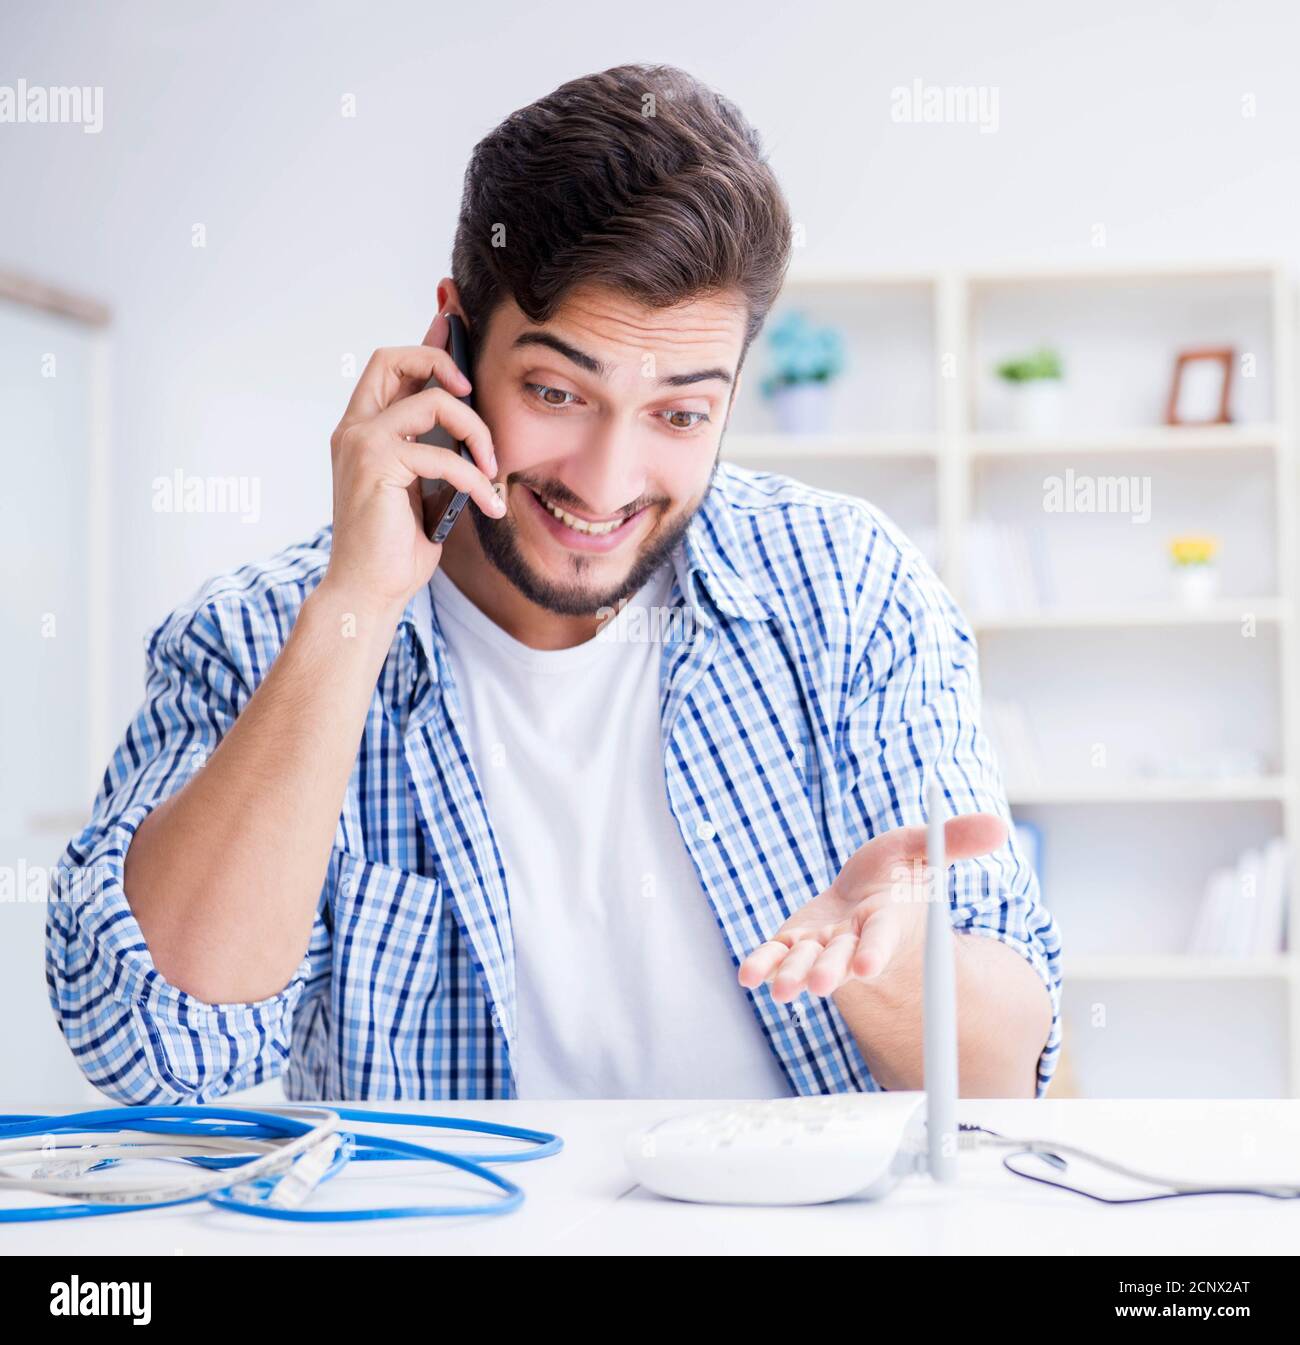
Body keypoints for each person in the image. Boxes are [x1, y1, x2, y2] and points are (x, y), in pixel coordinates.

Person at [46, 63, 1061, 1105]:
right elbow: (148, 1047)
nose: (606, 482)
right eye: (555, 391)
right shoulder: (255, 633)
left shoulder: (847, 590)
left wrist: (874, 962)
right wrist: (356, 610)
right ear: (450, 342)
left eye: (680, 413)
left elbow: (1013, 1080)